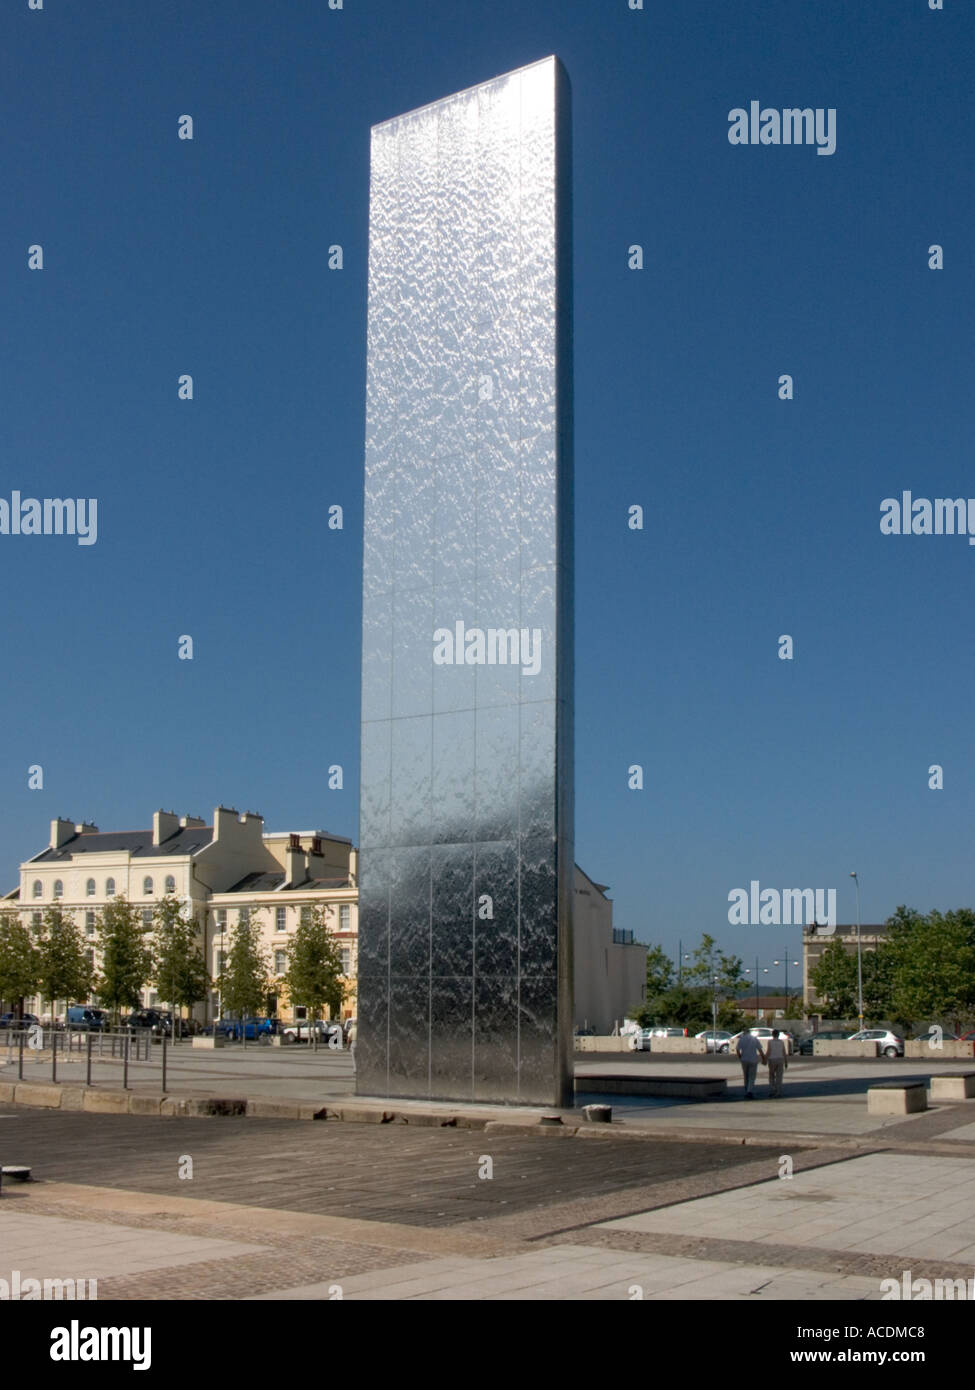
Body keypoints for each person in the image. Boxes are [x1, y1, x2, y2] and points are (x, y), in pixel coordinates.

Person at [736, 1029, 765, 1098]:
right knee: (752, 1076)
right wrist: (763, 1058)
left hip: (744, 1059)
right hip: (753, 1059)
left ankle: (746, 1089)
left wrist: (740, 1056)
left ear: (744, 1033)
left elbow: (737, 1049)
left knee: (746, 1075)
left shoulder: (742, 1039)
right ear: (750, 1032)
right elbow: (760, 1049)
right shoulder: (754, 1039)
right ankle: (750, 1091)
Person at [765, 1028, 788, 1098]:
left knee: (771, 1076)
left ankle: (773, 1090)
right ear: (778, 1035)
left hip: (772, 1059)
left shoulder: (770, 1042)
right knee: (779, 1077)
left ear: (772, 1035)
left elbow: (768, 1051)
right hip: (780, 1059)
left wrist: (765, 1059)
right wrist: (786, 1062)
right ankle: (778, 1091)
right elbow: (784, 1052)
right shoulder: (781, 1042)